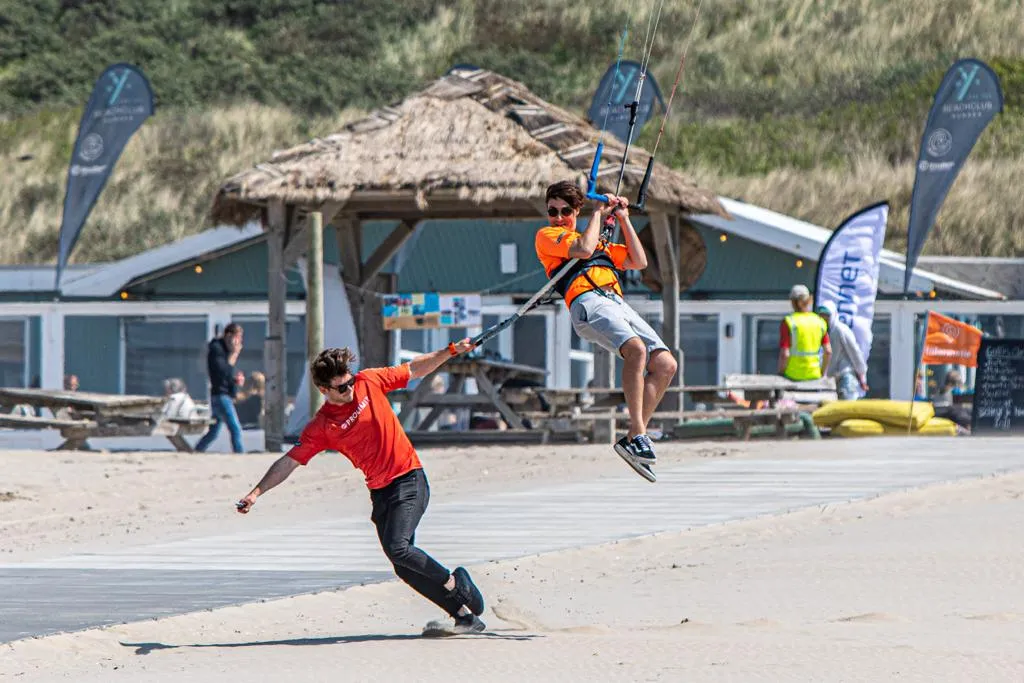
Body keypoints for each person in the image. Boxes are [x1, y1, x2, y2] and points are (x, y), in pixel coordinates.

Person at [235, 339, 488, 635]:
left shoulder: (369, 381)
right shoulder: (322, 427)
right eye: (342, 387)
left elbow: (415, 369)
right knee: (402, 565)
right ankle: (463, 617)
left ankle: (455, 583)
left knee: (398, 547)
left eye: (350, 382)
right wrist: (255, 493)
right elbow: (289, 461)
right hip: (380, 493)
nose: (350, 389)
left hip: (409, 478)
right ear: (325, 391)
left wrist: (450, 351)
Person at [534, 180, 677, 483]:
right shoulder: (549, 236)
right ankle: (638, 433)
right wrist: (599, 212)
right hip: (587, 301)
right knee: (636, 350)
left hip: (615, 301)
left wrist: (623, 218)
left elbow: (639, 261)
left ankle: (633, 436)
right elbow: (583, 249)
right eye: (553, 211)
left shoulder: (601, 243)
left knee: (665, 364)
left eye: (565, 212)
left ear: (575, 211)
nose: (559, 217)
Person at [195, 323, 245, 453]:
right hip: (220, 395)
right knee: (235, 428)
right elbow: (222, 372)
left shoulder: (225, 351)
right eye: (237, 337)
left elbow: (227, 375)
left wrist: (236, 380)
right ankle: (240, 453)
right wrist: (234, 355)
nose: (239, 342)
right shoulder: (217, 348)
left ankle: (197, 450)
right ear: (229, 336)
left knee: (214, 431)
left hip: (222, 394)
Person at [815, 301, 868, 400]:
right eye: (821, 316)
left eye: (827, 315)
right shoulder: (822, 332)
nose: (824, 318)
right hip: (831, 381)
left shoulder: (841, 330)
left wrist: (862, 376)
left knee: (847, 410)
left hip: (845, 377)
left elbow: (854, 352)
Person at [778, 285, 831, 382]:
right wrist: (822, 373)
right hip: (814, 375)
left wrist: (781, 373)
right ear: (809, 300)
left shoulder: (789, 322)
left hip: (792, 376)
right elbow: (828, 351)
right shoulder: (820, 322)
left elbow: (785, 354)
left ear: (793, 302)